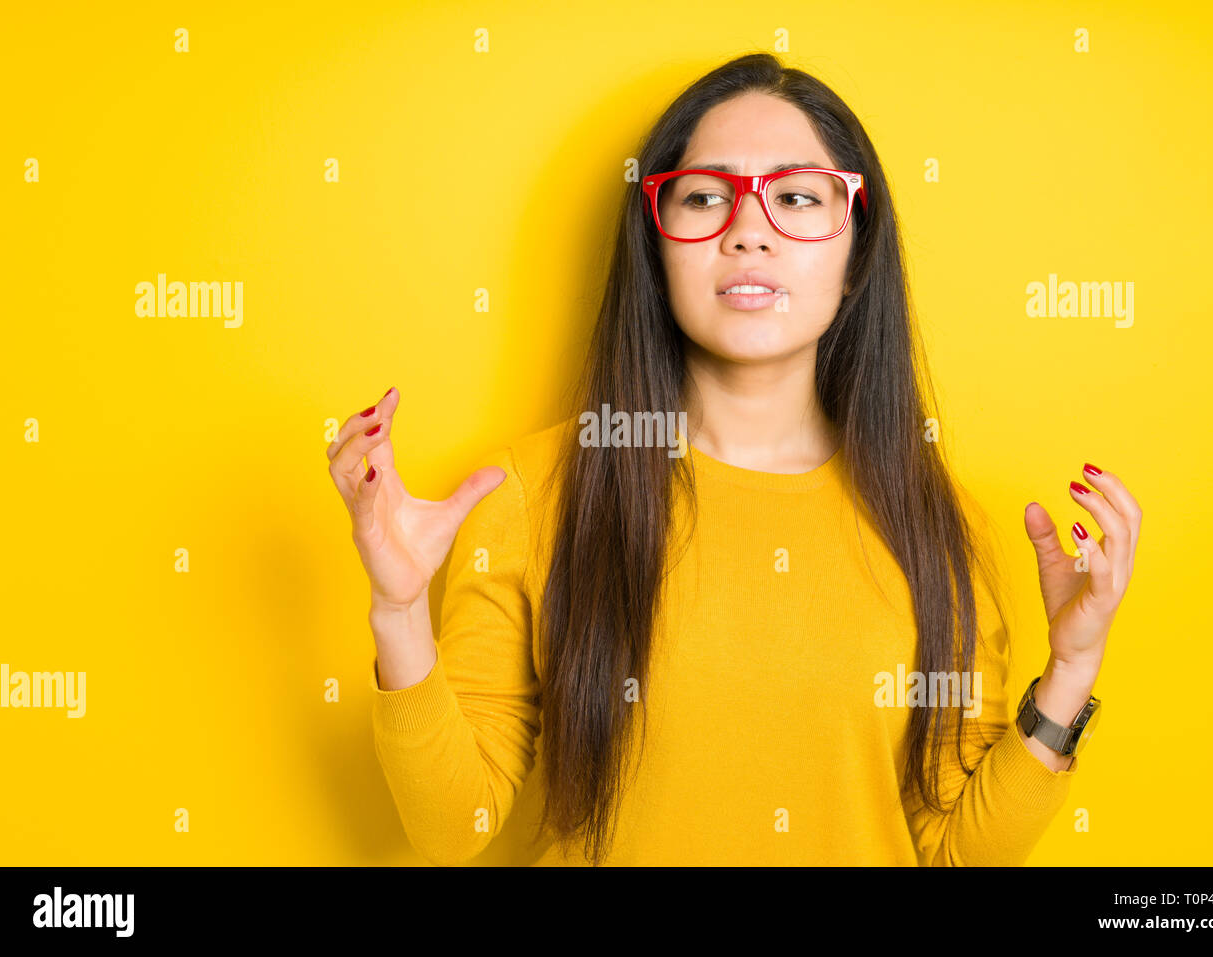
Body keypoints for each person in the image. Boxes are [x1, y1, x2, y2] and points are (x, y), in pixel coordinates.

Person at [325, 53, 1141, 866]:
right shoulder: (532, 494)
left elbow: (959, 853)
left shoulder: (937, 525)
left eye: (794, 197)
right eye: (707, 197)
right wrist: (398, 614)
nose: (748, 230)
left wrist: (1071, 669)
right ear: (658, 245)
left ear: (857, 255)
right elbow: (449, 829)